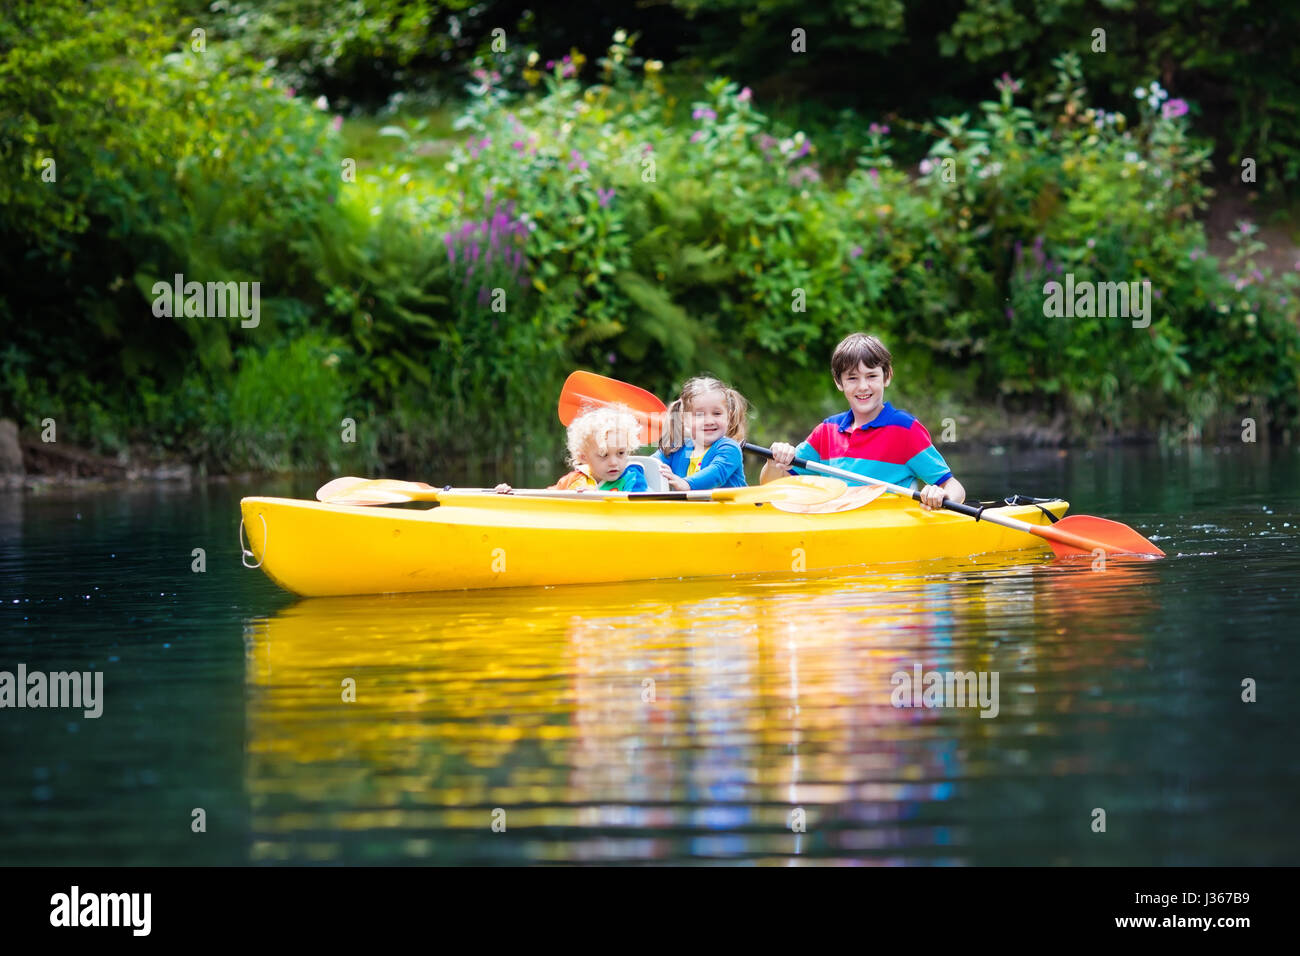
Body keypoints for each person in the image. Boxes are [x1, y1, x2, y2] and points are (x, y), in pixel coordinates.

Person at [760, 332, 966, 511]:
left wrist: (942, 496)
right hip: (837, 530)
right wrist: (773, 461)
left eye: (871, 376)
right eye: (852, 378)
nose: (863, 386)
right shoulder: (827, 431)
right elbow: (771, 488)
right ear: (838, 382)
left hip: (888, 532)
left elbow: (954, 487)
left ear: (887, 377)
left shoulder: (905, 429)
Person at [495, 405, 648, 493]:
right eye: (603, 455)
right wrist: (511, 494)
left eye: (621, 453)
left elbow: (636, 511)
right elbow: (542, 500)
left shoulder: (633, 479)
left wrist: (598, 497)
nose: (614, 462)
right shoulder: (573, 480)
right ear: (583, 457)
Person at [654, 376, 748, 490]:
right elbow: (651, 464)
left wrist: (686, 484)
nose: (709, 421)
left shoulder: (729, 449)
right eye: (699, 415)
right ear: (685, 419)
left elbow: (716, 474)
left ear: (728, 416)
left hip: (731, 507)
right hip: (691, 507)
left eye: (717, 413)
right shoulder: (676, 448)